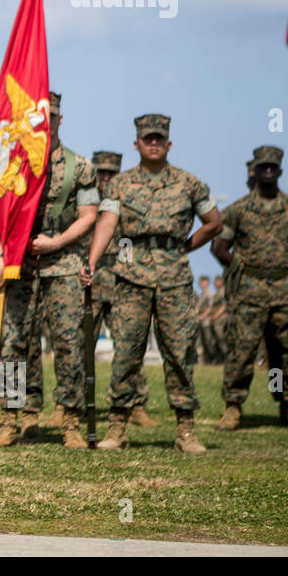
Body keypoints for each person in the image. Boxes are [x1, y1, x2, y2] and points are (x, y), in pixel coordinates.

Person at [81, 114, 222, 454]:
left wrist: (186, 246)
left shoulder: (190, 183)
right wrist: (93, 260)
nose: (154, 143)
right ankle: (117, 428)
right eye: (148, 139)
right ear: (137, 144)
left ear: (169, 143)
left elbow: (214, 222)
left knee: (179, 352)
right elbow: (107, 222)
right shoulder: (120, 184)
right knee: (127, 351)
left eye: (159, 138)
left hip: (174, 278)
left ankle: (186, 431)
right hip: (132, 275)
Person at [0, 93, 99, 448]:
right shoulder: (11, 162)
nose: (45, 124)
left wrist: (57, 242)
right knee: (14, 344)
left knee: (67, 344)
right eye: (39, 118)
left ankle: (70, 423)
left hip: (61, 264)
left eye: (52, 117)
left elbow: (89, 215)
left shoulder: (80, 166)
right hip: (19, 264)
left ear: (60, 120)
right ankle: (11, 420)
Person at [210, 146, 288, 433]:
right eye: (263, 167)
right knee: (242, 351)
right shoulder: (238, 210)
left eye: (273, 167)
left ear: (279, 171)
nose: (268, 171)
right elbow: (220, 247)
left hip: (287, 293)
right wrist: (245, 270)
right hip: (249, 293)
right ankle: (233, 408)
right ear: (255, 171)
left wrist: (284, 269)